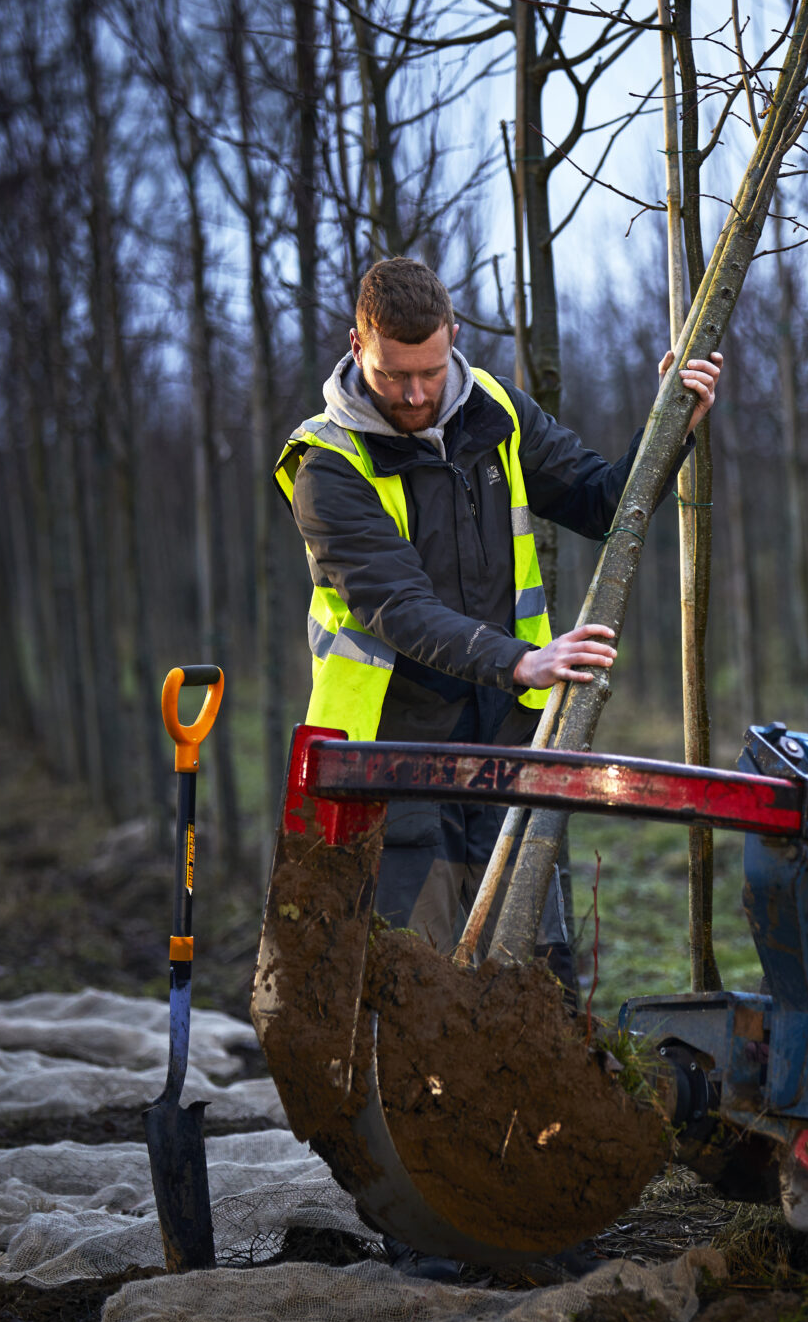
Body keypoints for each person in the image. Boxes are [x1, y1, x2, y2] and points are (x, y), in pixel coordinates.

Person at [275, 257, 724, 963]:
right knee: (408, 989)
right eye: (395, 375)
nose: (418, 394)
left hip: (510, 751)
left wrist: (671, 426)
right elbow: (401, 606)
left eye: (430, 368)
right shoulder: (325, 465)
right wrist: (522, 660)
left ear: (453, 335)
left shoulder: (495, 409)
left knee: (532, 981)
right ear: (358, 346)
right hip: (392, 767)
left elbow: (602, 498)